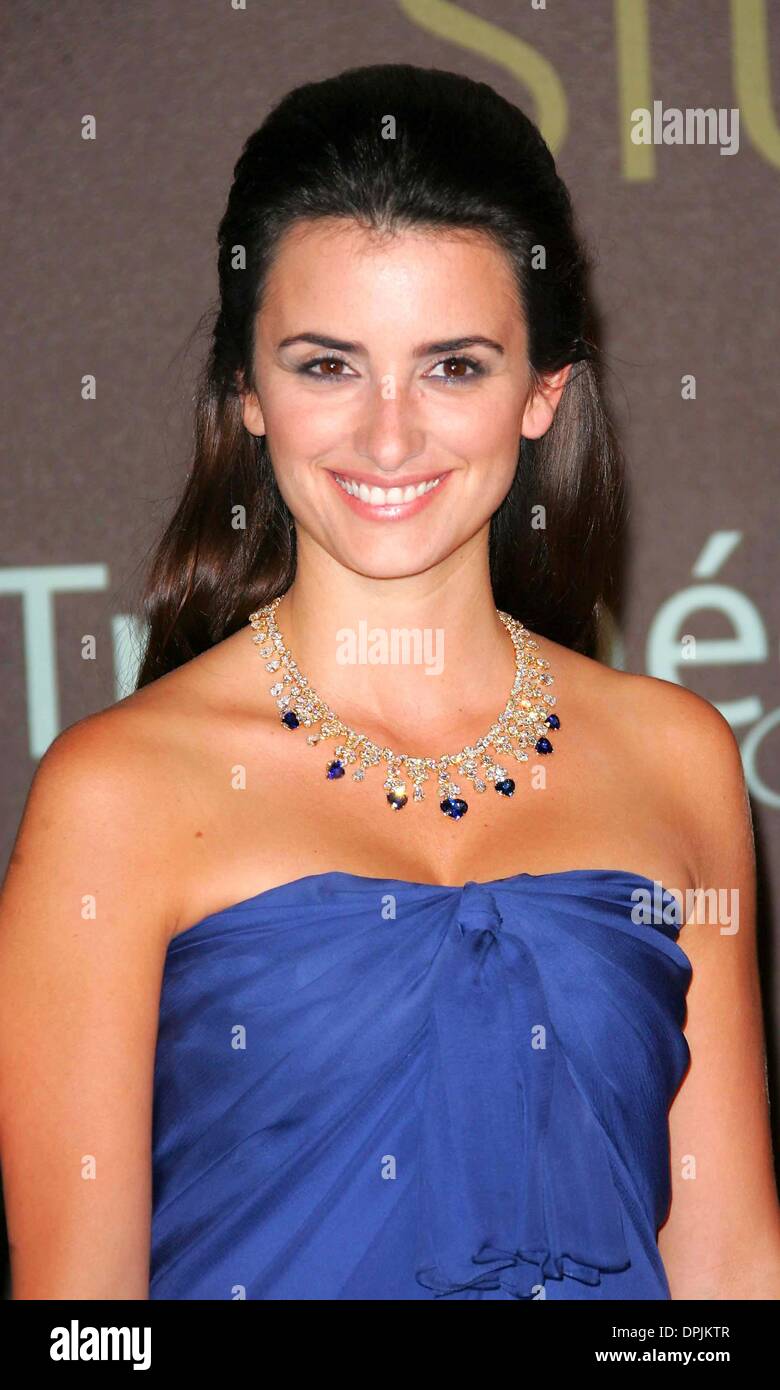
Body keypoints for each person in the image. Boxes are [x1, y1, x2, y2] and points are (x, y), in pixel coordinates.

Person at [1, 63, 778, 1302]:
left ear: (543, 392)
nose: (389, 436)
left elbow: (732, 1270)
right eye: (327, 365)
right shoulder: (116, 794)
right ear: (246, 391)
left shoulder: (678, 758)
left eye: (453, 366)